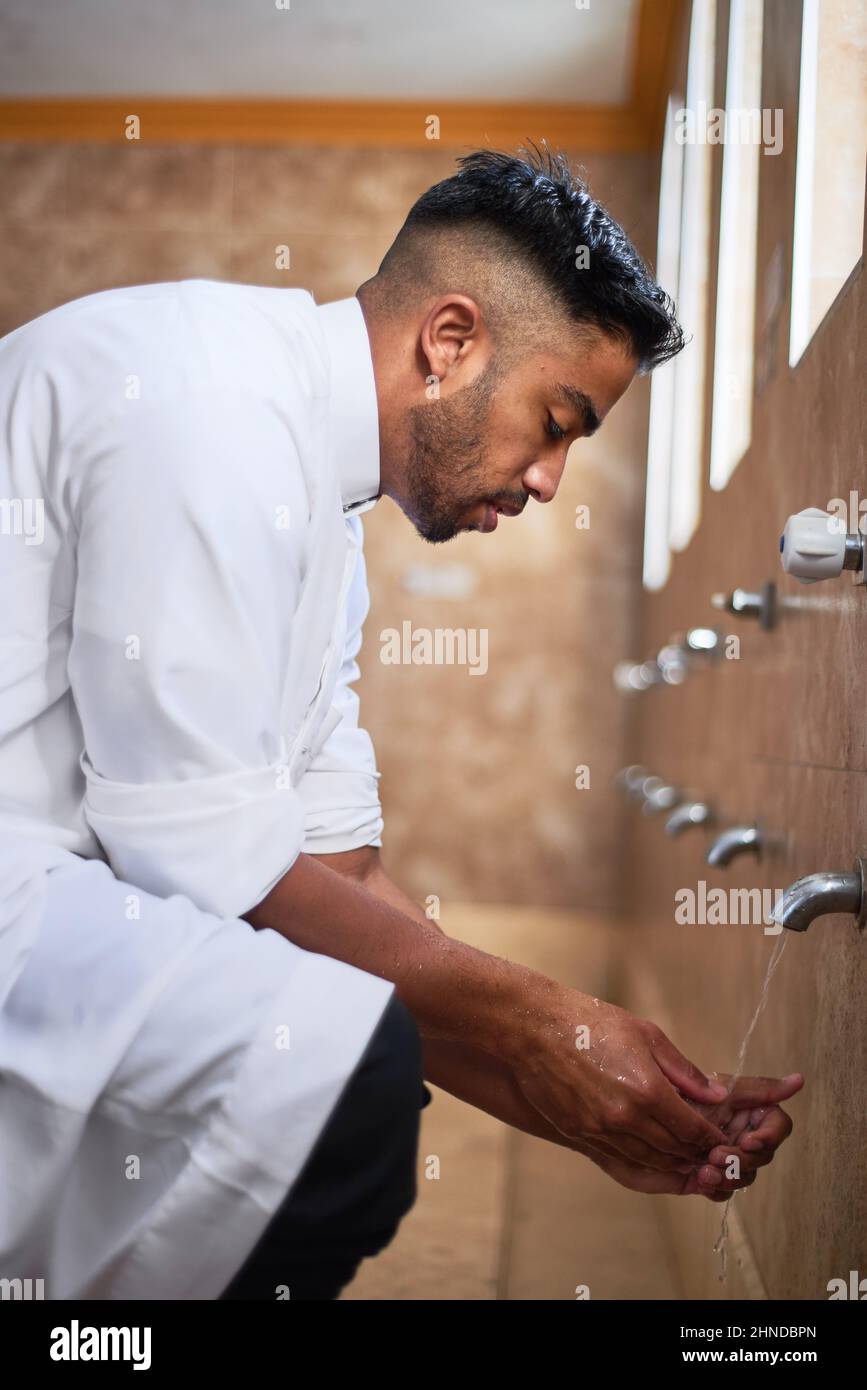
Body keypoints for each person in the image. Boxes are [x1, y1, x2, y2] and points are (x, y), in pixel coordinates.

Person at [0, 147, 802, 1302]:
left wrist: (581, 1089)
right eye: (557, 419)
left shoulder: (321, 513)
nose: (550, 483)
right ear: (451, 340)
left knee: (351, 1051)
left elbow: (335, 875)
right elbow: (212, 871)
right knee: (344, 1086)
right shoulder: (208, 404)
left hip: (57, 901)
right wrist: (543, 1026)